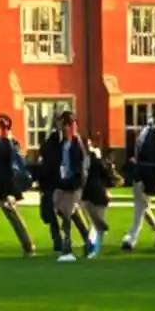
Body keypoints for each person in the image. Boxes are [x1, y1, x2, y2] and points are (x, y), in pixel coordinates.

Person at [0, 114, 35, 257]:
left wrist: (5, 189)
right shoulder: (2, 144)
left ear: (4, 128)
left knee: (15, 219)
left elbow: (5, 169)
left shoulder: (5, 145)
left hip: (3, 189)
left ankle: (29, 245)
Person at [121, 114, 155, 251]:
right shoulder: (142, 134)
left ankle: (131, 238)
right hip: (139, 174)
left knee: (139, 208)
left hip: (148, 175)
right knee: (143, 207)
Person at [53, 112, 89, 262]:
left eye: (66, 125)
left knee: (67, 215)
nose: (65, 128)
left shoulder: (77, 143)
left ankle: (67, 249)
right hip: (64, 182)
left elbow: (83, 165)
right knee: (66, 212)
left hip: (73, 184)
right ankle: (89, 240)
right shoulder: (63, 144)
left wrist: (77, 181)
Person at [81, 133, 113, 258]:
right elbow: (106, 175)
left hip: (92, 195)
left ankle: (92, 248)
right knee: (97, 225)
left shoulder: (89, 160)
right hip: (96, 195)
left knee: (94, 225)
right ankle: (93, 249)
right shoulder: (94, 159)